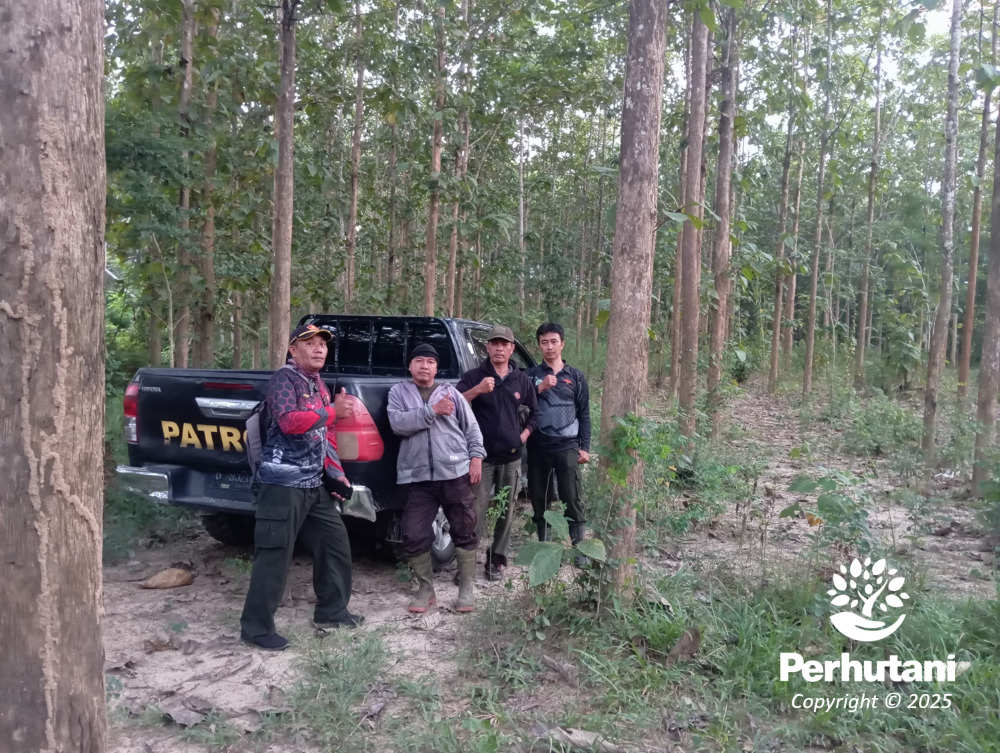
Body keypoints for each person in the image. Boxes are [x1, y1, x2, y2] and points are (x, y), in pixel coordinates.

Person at [239, 324, 362, 651]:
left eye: (323, 343)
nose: (319, 348)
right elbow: (288, 421)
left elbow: (326, 437)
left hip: (313, 485)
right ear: (293, 349)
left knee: (335, 543)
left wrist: (337, 476)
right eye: (310, 343)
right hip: (281, 485)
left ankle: (332, 612)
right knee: (274, 555)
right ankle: (255, 628)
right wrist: (332, 411)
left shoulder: (318, 384)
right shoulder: (284, 379)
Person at [388, 343, 486, 613]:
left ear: (436, 367)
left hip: (454, 473)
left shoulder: (451, 393)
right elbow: (398, 424)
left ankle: (466, 590)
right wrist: (432, 411)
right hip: (419, 479)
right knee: (412, 533)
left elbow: (472, 431)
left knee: (465, 529)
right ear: (410, 366)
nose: (424, 366)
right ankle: (425, 589)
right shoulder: (398, 392)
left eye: (430, 362)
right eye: (418, 360)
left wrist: (476, 458)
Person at [457, 326, 537, 580]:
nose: (499, 348)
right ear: (488, 348)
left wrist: (522, 437)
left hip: (511, 458)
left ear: (512, 348)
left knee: (506, 511)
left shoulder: (522, 379)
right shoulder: (474, 376)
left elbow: (535, 413)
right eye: (494, 344)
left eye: (504, 344)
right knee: (474, 512)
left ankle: (496, 561)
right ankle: (466, 565)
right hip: (481, 459)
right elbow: (455, 404)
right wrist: (478, 390)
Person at [526, 323, 591, 558]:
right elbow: (519, 405)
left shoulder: (575, 377)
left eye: (554, 341)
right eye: (544, 342)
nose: (549, 347)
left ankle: (579, 550)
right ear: (539, 345)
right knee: (539, 497)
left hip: (568, 446)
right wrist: (539, 388)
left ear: (562, 344)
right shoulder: (530, 375)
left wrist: (585, 447)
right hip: (538, 446)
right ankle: (545, 547)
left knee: (571, 496)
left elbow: (584, 413)